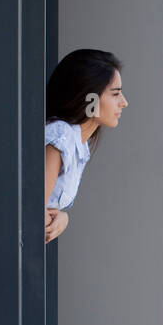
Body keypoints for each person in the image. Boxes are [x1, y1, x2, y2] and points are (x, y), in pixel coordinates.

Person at [43, 49, 126, 242]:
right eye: (115, 94)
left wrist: (64, 217)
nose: (124, 103)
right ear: (90, 98)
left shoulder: (78, 145)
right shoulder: (62, 135)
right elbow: (30, 211)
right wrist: (60, 219)